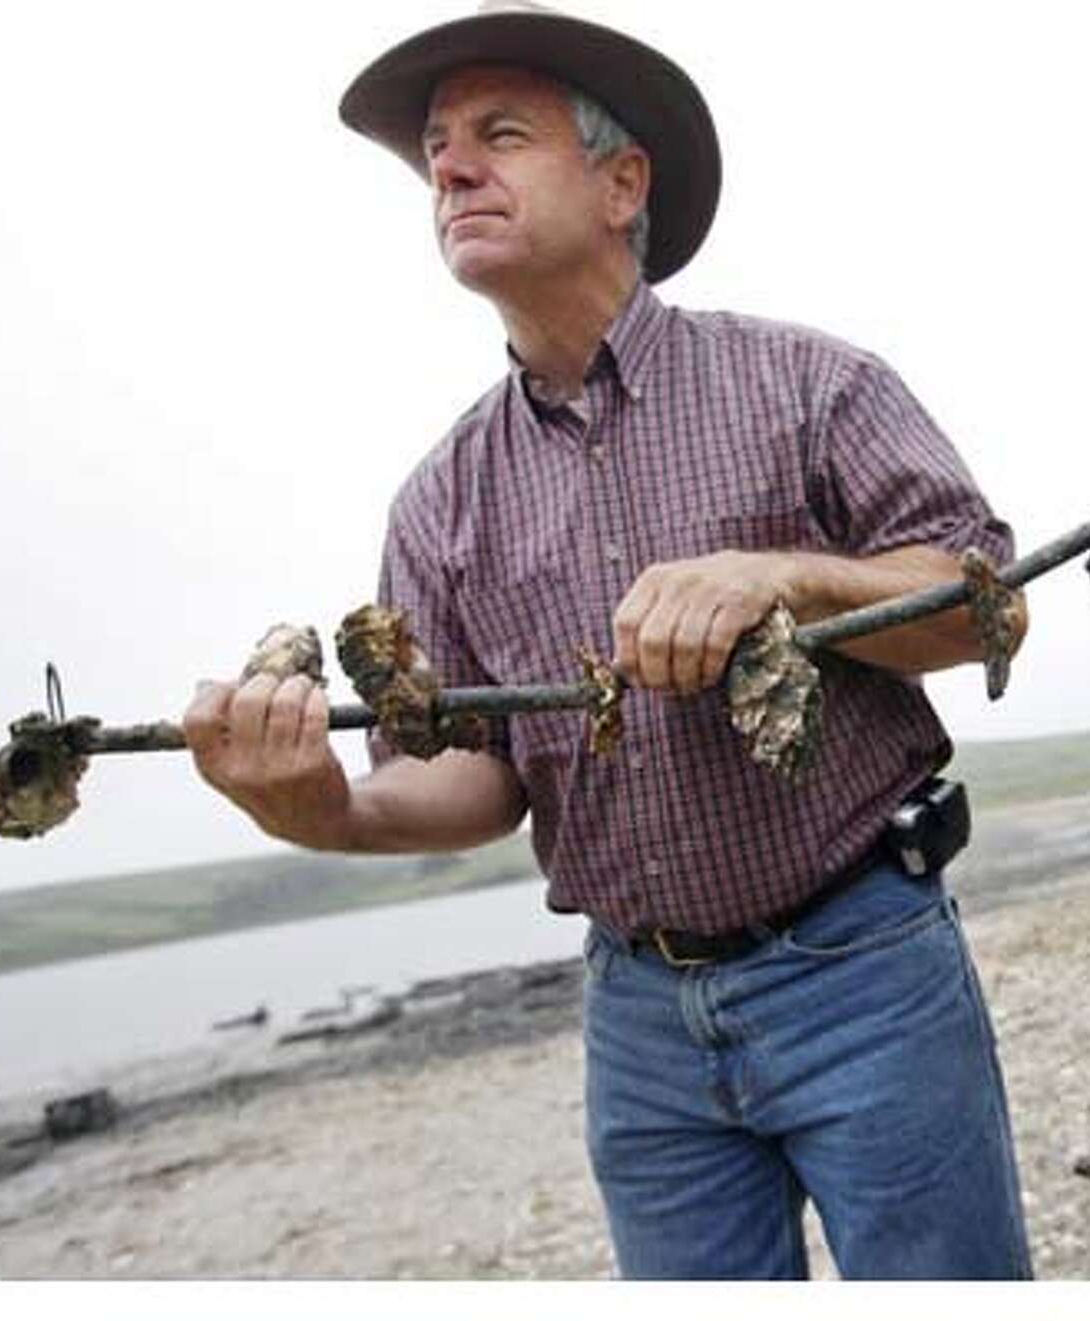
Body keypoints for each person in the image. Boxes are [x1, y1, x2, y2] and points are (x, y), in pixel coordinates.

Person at [182, 0, 1032, 1280]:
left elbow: (986, 604)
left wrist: (782, 578)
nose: (450, 169)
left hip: (864, 968)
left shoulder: (807, 385)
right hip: (639, 1022)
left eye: (499, 133)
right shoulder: (441, 498)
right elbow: (476, 773)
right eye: (436, 151)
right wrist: (326, 812)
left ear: (623, 181)